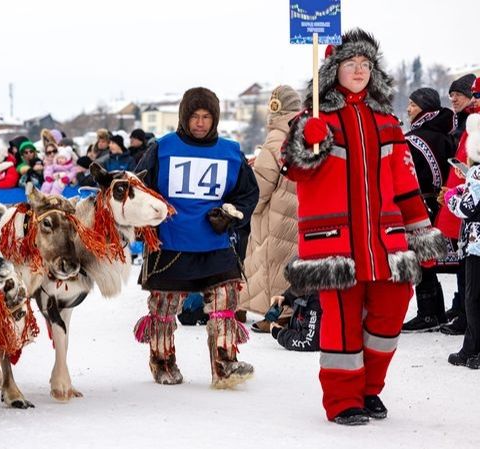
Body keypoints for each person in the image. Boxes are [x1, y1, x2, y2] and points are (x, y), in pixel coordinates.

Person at [281, 29, 446, 425]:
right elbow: (294, 172)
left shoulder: (387, 121)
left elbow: (406, 184)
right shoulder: (314, 119)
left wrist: (421, 236)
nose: (359, 71)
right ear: (333, 69)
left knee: (390, 317)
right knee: (341, 326)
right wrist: (308, 143)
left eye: (366, 65)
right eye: (351, 64)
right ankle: (343, 401)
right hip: (334, 244)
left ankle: (369, 390)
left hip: (386, 243)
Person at [134, 86, 259, 388]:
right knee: (163, 310)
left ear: (214, 119)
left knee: (224, 304)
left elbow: (247, 194)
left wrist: (231, 216)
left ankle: (225, 364)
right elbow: (139, 188)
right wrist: (150, 217)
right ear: (183, 118)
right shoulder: (161, 148)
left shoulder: (230, 151)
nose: (200, 123)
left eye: (206, 117)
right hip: (170, 245)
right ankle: (162, 362)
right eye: (194, 117)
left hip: (215, 244)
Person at [239, 85, 303, 333]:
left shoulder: (275, 140)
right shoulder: (305, 135)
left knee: (271, 265)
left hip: (275, 212)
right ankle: (289, 310)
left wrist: (249, 208)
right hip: (299, 209)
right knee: (290, 261)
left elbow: (261, 186)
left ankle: (277, 314)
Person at [400, 87, 457, 332]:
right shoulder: (444, 134)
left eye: (413, 104)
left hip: (422, 204)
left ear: (424, 107)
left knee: (422, 257)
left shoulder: (415, 139)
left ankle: (428, 313)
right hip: (441, 202)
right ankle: (437, 311)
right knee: (430, 260)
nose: (408, 109)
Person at [437, 77, 480, 335]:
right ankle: (463, 309)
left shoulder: (474, 123)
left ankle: (468, 320)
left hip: (470, 205)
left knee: (471, 266)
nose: (472, 100)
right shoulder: (469, 124)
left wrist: (457, 193)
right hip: (463, 199)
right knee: (466, 263)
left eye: (474, 95)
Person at [443, 113, 480, 369]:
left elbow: (467, 208)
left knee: (473, 299)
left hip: (477, 245)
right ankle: (471, 348)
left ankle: (472, 349)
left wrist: (450, 199)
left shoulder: (477, 174)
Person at [449, 74, 478, 150]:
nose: (453, 99)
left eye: (458, 94)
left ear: (471, 96)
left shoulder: (475, 121)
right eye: (451, 95)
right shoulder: (453, 121)